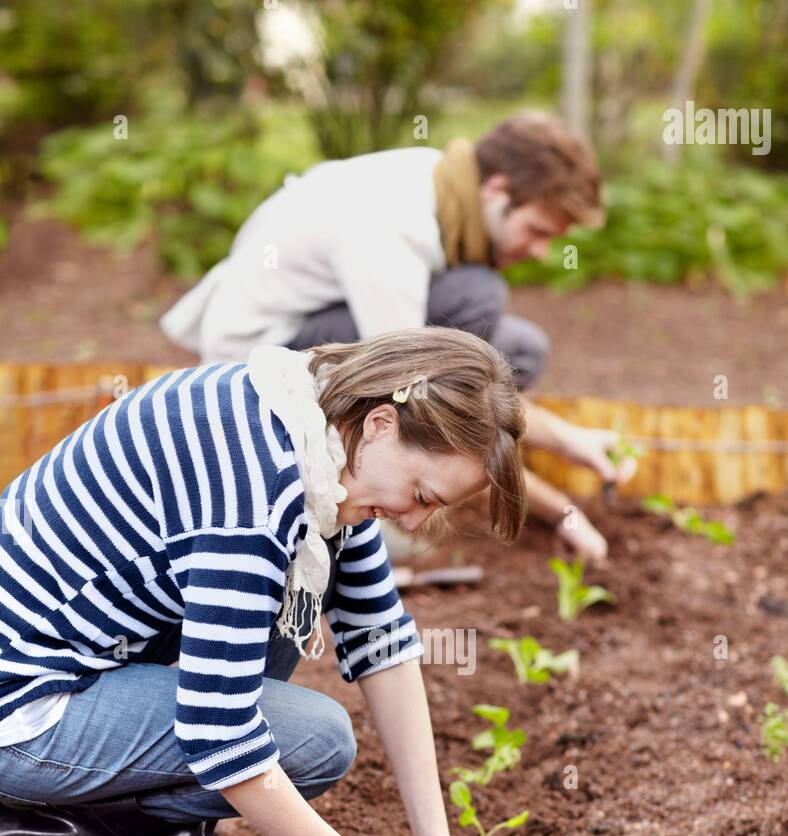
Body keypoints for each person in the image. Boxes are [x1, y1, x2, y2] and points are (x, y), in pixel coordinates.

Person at [0, 327, 524, 836]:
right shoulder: (255, 488)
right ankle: (17, 826)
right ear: (383, 422)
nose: (412, 521)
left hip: (91, 647)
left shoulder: (317, 434)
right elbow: (215, 729)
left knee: (274, 616)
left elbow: (379, 636)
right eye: (421, 495)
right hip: (23, 702)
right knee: (316, 741)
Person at [160, 111, 636, 562]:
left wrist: (569, 440)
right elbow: (430, 389)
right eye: (535, 230)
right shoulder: (393, 227)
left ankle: (411, 469)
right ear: (497, 189)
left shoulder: (441, 182)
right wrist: (563, 512)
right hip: (256, 364)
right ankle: (367, 497)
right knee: (476, 301)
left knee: (518, 347)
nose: (540, 250)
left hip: (306, 322)